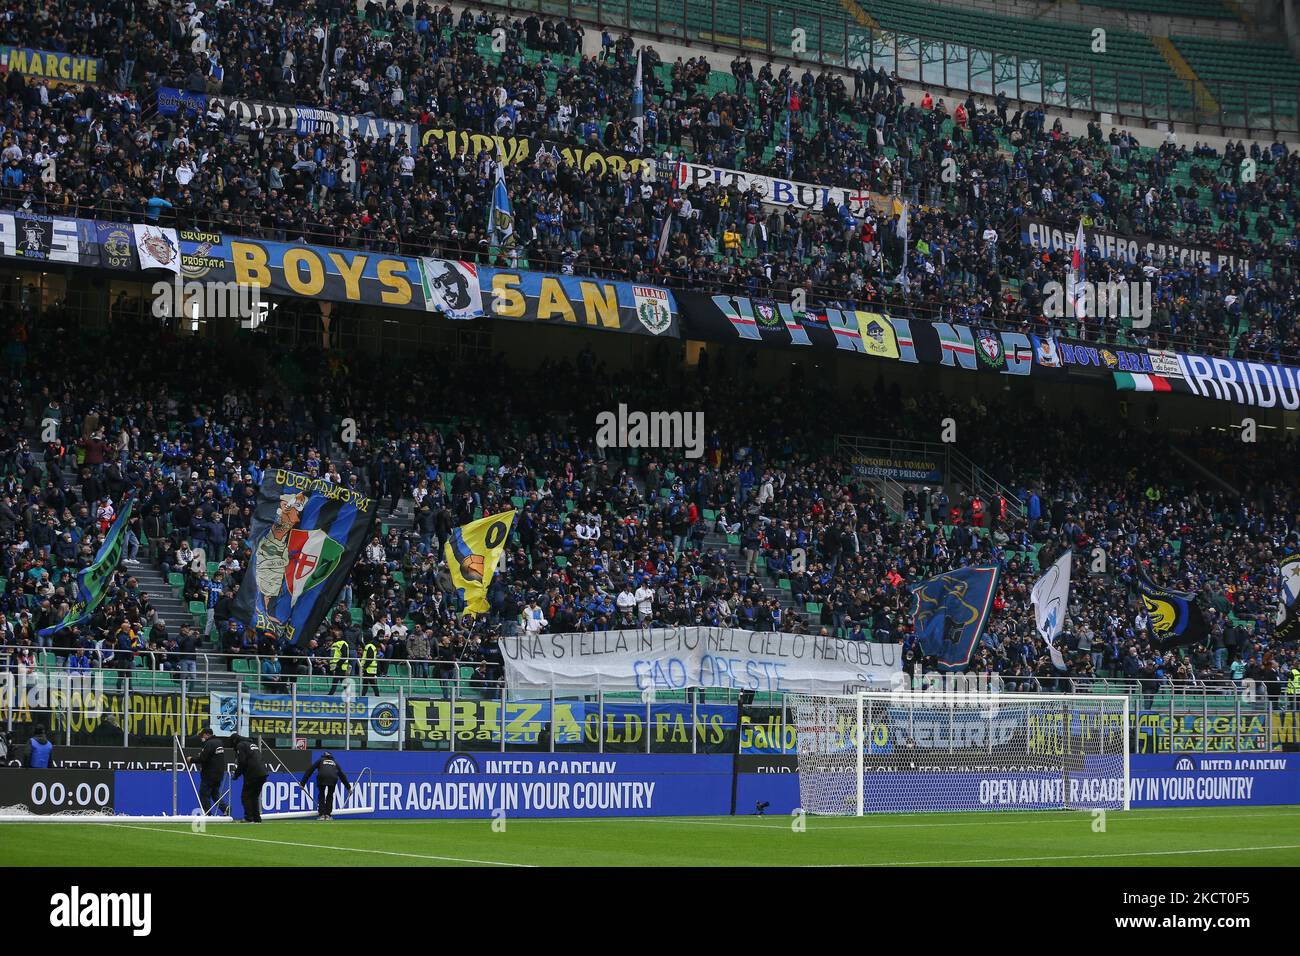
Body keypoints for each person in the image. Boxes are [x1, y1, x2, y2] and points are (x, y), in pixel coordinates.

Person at [190, 726, 230, 816]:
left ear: (207, 734)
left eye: (202, 735)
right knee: (215, 794)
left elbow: (203, 758)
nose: (201, 738)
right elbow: (212, 756)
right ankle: (225, 808)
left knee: (204, 794)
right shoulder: (219, 742)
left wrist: (191, 759)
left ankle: (208, 814)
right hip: (219, 774)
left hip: (209, 774)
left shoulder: (209, 743)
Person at [299, 751, 350, 821]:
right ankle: (328, 815)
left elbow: (310, 770)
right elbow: (342, 775)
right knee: (330, 795)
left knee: (321, 795)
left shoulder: (320, 760)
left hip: (322, 777)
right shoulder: (335, 762)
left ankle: (322, 815)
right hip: (333, 778)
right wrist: (349, 788)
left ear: (324, 755)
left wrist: (302, 783)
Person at [230, 735, 268, 823]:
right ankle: (256, 818)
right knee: (254, 797)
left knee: (245, 796)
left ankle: (248, 818)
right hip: (262, 773)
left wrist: (236, 774)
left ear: (234, 741)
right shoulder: (252, 744)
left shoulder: (240, 745)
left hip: (252, 773)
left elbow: (242, 762)